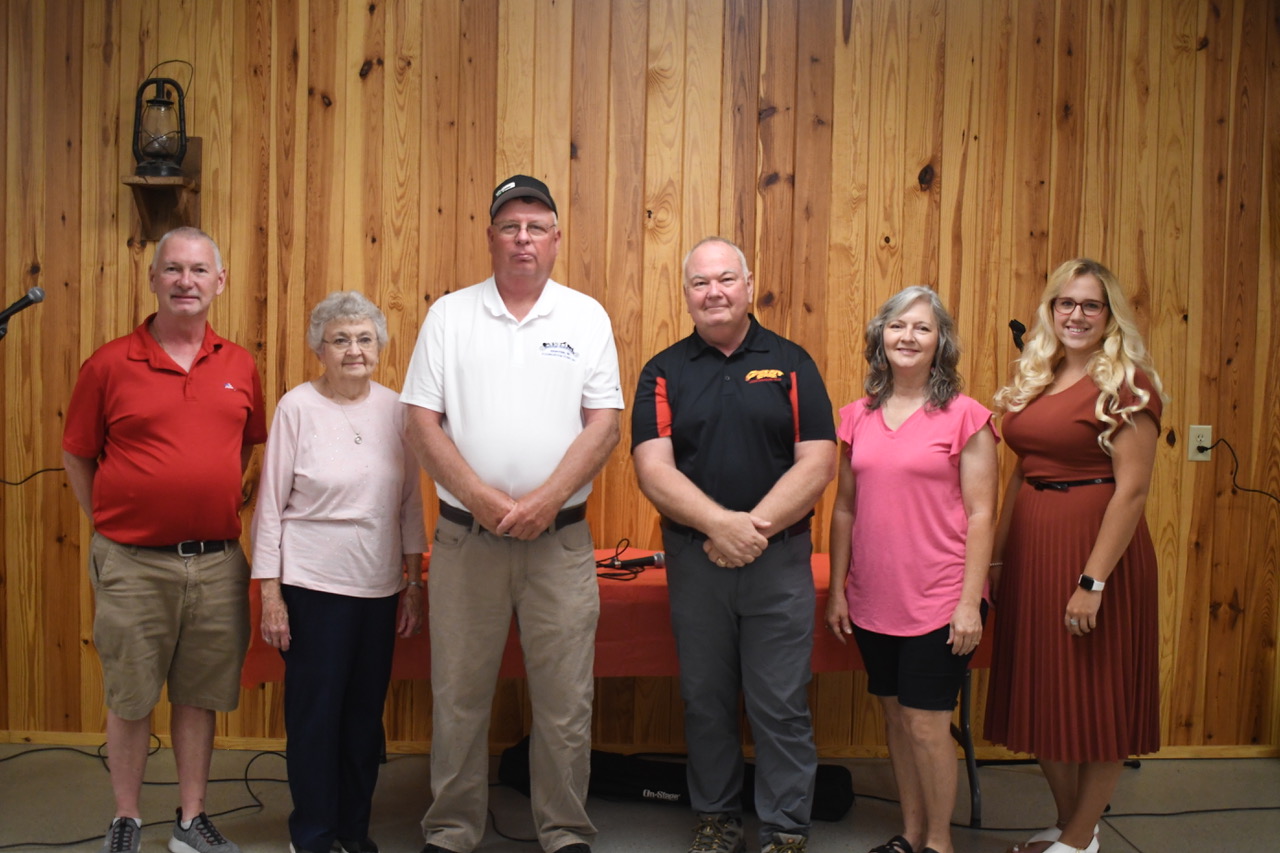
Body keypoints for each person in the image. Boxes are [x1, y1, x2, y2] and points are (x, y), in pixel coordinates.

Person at [401, 175, 623, 853]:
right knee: (458, 695)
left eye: (536, 227)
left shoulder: (585, 317)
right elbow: (421, 423)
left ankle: (565, 831)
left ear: (556, 238)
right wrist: (480, 496)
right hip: (467, 538)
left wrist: (547, 498)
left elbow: (605, 425)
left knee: (565, 701)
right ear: (491, 237)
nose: (523, 238)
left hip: (560, 542)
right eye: (510, 226)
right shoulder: (450, 317)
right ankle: (451, 829)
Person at [62, 227, 266, 853]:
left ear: (219, 281)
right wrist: (108, 523)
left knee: (199, 696)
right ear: (152, 279)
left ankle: (190, 820)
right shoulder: (108, 364)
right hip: (132, 563)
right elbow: (77, 454)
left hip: (217, 563)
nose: (185, 281)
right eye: (173, 269)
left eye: (199, 270)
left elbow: (247, 445)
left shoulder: (239, 365)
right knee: (130, 696)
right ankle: (125, 818)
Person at [632, 237, 836, 853]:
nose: (714, 292)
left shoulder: (792, 362)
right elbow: (653, 469)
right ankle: (716, 820)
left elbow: (818, 461)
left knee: (780, 703)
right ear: (686, 294)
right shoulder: (662, 370)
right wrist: (719, 527)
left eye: (725, 279)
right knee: (706, 700)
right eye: (700, 283)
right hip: (696, 562)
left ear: (749, 285)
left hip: (779, 560)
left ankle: (784, 830)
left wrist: (751, 531)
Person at [984, 259, 1166, 853]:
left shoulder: (1129, 384)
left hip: (1097, 552)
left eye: (1091, 305)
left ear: (1110, 314)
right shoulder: (1039, 374)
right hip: (1034, 549)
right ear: (1051, 309)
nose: (1077, 315)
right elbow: (1021, 473)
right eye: (1066, 303)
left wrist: (1093, 582)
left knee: (1100, 692)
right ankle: (1075, 831)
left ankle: (1081, 833)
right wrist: (996, 560)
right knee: (1042, 689)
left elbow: (1132, 490)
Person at [251, 291, 428, 853]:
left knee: (362, 721)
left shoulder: (398, 410)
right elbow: (270, 506)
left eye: (365, 339)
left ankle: (353, 831)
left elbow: (409, 504)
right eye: (341, 339)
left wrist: (413, 583)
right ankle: (312, 835)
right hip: (312, 587)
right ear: (319, 349)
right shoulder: (297, 408)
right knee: (315, 720)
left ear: (380, 347)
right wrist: (271, 595)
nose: (354, 350)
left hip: (378, 587)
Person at [824, 286, 999, 853]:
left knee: (926, 723)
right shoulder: (857, 417)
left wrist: (969, 602)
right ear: (880, 336)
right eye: (898, 326)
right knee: (897, 720)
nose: (908, 337)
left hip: (941, 598)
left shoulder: (966, 416)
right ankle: (912, 833)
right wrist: (838, 590)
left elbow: (982, 513)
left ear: (940, 342)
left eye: (922, 328)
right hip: (875, 597)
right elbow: (844, 509)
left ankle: (939, 844)